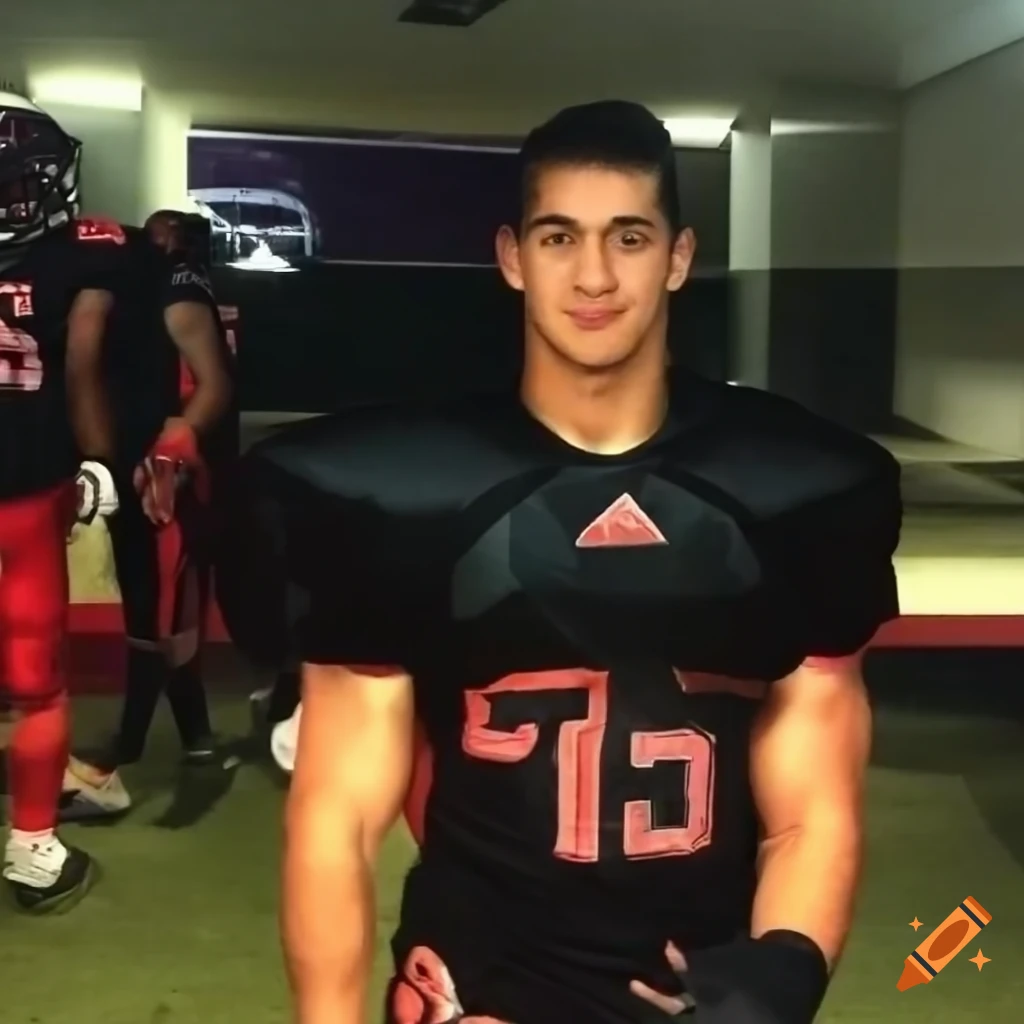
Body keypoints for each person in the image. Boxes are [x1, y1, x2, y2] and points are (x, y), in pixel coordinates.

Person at [218, 100, 902, 1023]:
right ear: (512, 257)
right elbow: (336, 820)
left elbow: (813, 800)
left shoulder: (797, 492)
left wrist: (787, 964)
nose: (593, 275)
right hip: (473, 988)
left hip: (696, 988)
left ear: (679, 257)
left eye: (628, 236)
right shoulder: (395, 493)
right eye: (558, 236)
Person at [63, 209, 235, 816]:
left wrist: (175, 443)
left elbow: (212, 382)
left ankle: (121, 756)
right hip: (125, 463)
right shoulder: (107, 284)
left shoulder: (173, 284)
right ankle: (199, 743)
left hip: (164, 474)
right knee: (151, 606)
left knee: (160, 615)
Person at [0, 91, 124, 912]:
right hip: (24, 487)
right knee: (35, 676)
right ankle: (34, 846)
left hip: (29, 485)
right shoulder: (82, 252)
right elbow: (80, 365)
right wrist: (99, 460)